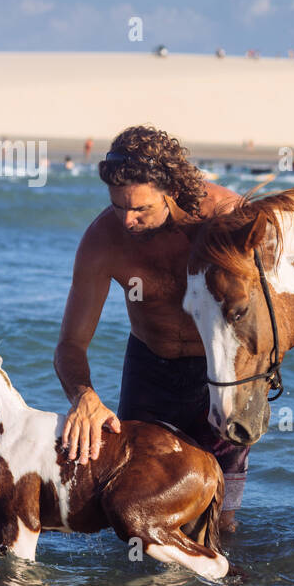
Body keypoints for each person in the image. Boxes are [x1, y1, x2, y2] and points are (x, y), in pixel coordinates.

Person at [54, 126, 249, 531]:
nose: (127, 220)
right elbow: (70, 345)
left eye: (140, 209)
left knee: (219, 526)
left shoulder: (222, 217)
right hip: (148, 372)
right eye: (117, 206)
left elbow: (270, 305)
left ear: (171, 190)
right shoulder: (102, 240)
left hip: (220, 377)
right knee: (132, 519)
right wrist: (83, 396)